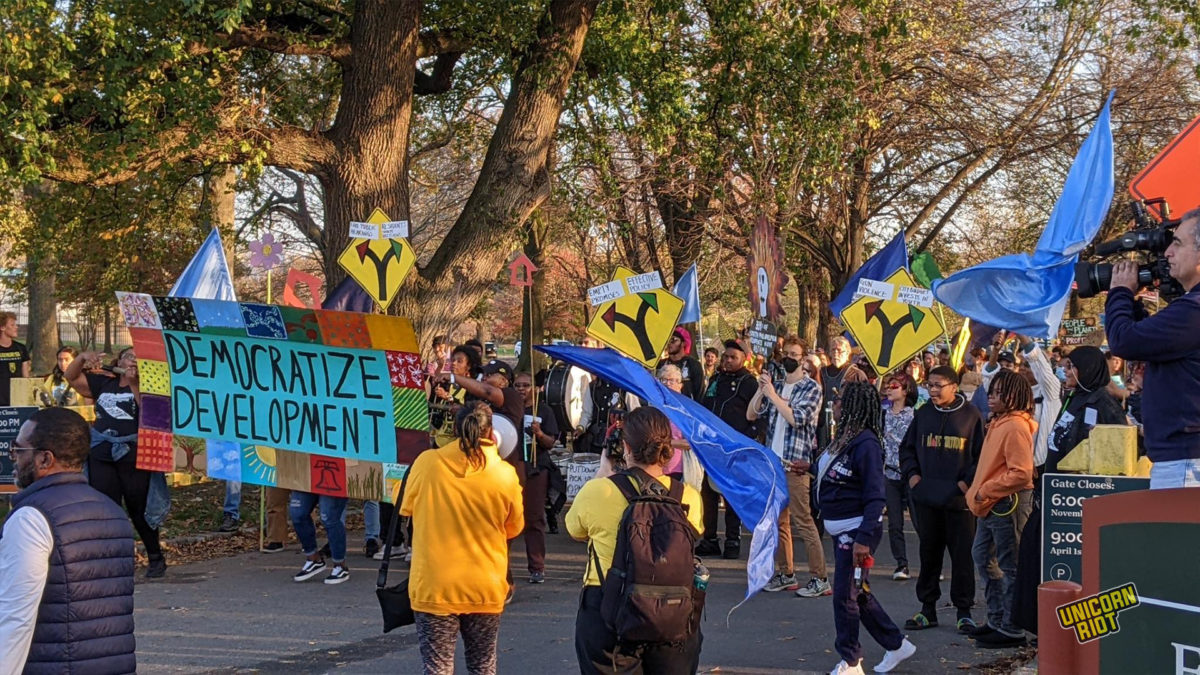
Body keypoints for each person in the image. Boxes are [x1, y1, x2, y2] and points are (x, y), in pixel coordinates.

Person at [566, 406, 705, 674]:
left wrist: (604, 469)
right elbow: (695, 533)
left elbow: (575, 530)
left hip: (608, 606)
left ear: (626, 447)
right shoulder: (688, 496)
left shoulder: (598, 490)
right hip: (673, 609)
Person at [0, 407, 136, 674]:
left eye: (18, 449)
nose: (13, 458)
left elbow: (15, 617)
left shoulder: (31, 518)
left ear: (44, 459)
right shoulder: (114, 513)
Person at [401, 403, 524, 675]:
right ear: (491, 433)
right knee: (482, 665)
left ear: (455, 429)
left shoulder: (427, 463)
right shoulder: (505, 474)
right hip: (485, 585)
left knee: (437, 667)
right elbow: (514, 527)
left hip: (434, 585)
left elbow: (406, 509)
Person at [1012, 346, 1126, 634]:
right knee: (1033, 555)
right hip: (1052, 495)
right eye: (1064, 367)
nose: (1065, 372)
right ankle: (1036, 627)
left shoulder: (1104, 405)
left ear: (1088, 369)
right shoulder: (1073, 399)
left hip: (1075, 504)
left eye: (1070, 367)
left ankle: (1053, 632)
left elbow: (1114, 457)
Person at [813, 382, 916, 675]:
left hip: (856, 532)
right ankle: (896, 644)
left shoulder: (867, 444)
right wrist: (806, 468)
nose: (834, 405)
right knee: (857, 593)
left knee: (844, 596)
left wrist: (863, 539)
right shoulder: (844, 437)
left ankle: (851, 660)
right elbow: (834, 472)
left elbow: (875, 496)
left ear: (853, 407)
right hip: (842, 530)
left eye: (840, 401)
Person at [1105, 207, 1200, 488]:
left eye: (1177, 243)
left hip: (1186, 462)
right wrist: (1132, 303)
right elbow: (1145, 340)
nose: (1168, 253)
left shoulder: (1193, 312)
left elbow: (1124, 341)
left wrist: (1120, 291)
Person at [64, 348, 168, 578]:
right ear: (119, 361)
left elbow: (151, 416)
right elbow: (71, 377)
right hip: (102, 453)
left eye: (138, 356)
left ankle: (155, 557)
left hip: (133, 454)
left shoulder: (151, 386)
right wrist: (81, 358)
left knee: (138, 509)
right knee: (107, 509)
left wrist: (135, 383)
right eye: (129, 355)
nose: (133, 359)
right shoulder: (104, 382)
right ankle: (114, 560)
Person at [898, 365, 984, 633]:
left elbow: (981, 456)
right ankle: (927, 609)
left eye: (938, 385)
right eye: (930, 385)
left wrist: (965, 483)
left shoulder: (971, 415)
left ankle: (964, 611)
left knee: (962, 557)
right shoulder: (924, 413)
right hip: (927, 500)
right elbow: (907, 449)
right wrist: (913, 476)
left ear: (954, 387)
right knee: (929, 554)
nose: (933, 390)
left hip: (959, 503)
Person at [747, 336, 829, 598]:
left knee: (803, 521)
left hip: (794, 465)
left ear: (804, 359)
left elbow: (797, 419)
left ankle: (819, 577)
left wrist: (773, 395)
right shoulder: (778, 384)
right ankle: (786, 572)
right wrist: (762, 390)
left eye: (795, 354)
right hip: (773, 463)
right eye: (786, 353)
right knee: (779, 522)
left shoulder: (811, 388)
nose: (789, 358)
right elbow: (751, 414)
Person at [964, 369, 1035, 647]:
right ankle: (996, 618)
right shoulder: (999, 422)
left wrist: (985, 490)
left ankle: (1011, 627)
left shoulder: (1015, 426)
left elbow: (1022, 473)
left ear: (1014, 396)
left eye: (999, 393)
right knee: (982, 556)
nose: (991, 398)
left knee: (1009, 565)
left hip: (1007, 503)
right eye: (991, 392)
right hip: (991, 503)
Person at [697, 339, 757, 559]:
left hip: (735, 446)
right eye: (726, 357)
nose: (728, 361)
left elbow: (758, 415)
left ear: (744, 359)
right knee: (708, 492)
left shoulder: (749, 383)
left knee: (731, 494)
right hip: (713, 446)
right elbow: (705, 404)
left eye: (733, 357)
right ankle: (710, 538)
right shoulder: (716, 379)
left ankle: (733, 539)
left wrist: (749, 440)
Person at [516, 371, 560, 584]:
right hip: (512, 468)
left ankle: (537, 567)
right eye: (517, 385)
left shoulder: (544, 411)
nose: (521, 389)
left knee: (534, 518)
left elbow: (551, 442)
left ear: (535, 388)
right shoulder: (509, 409)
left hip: (536, 468)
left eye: (525, 385)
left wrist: (539, 434)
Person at [881, 373, 917, 581]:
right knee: (895, 523)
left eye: (894, 386)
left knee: (920, 522)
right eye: (887, 385)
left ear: (906, 390)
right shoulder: (882, 414)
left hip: (912, 475)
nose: (889, 388)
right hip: (890, 473)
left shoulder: (914, 415)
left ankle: (931, 563)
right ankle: (901, 564)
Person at [819, 337, 867, 447]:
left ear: (848, 352)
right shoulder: (821, 373)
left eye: (839, 350)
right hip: (822, 426)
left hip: (846, 429)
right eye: (833, 349)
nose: (836, 353)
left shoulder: (857, 375)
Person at [655, 364, 692, 480]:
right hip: (655, 466)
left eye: (671, 380)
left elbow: (690, 442)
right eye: (663, 380)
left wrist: (667, 443)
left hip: (678, 468)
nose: (667, 383)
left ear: (680, 385)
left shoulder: (686, 409)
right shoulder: (654, 405)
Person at [657, 327, 705, 401]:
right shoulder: (661, 364)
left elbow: (699, 393)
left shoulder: (693, 365)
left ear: (683, 343)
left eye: (673, 340)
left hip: (686, 406)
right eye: (668, 340)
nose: (669, 343)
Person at [0, 310, 31, 406]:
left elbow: (26, 376)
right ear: (2, 327)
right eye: (12, 325)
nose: (16, 327)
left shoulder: (21, 348)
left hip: (17, 398)